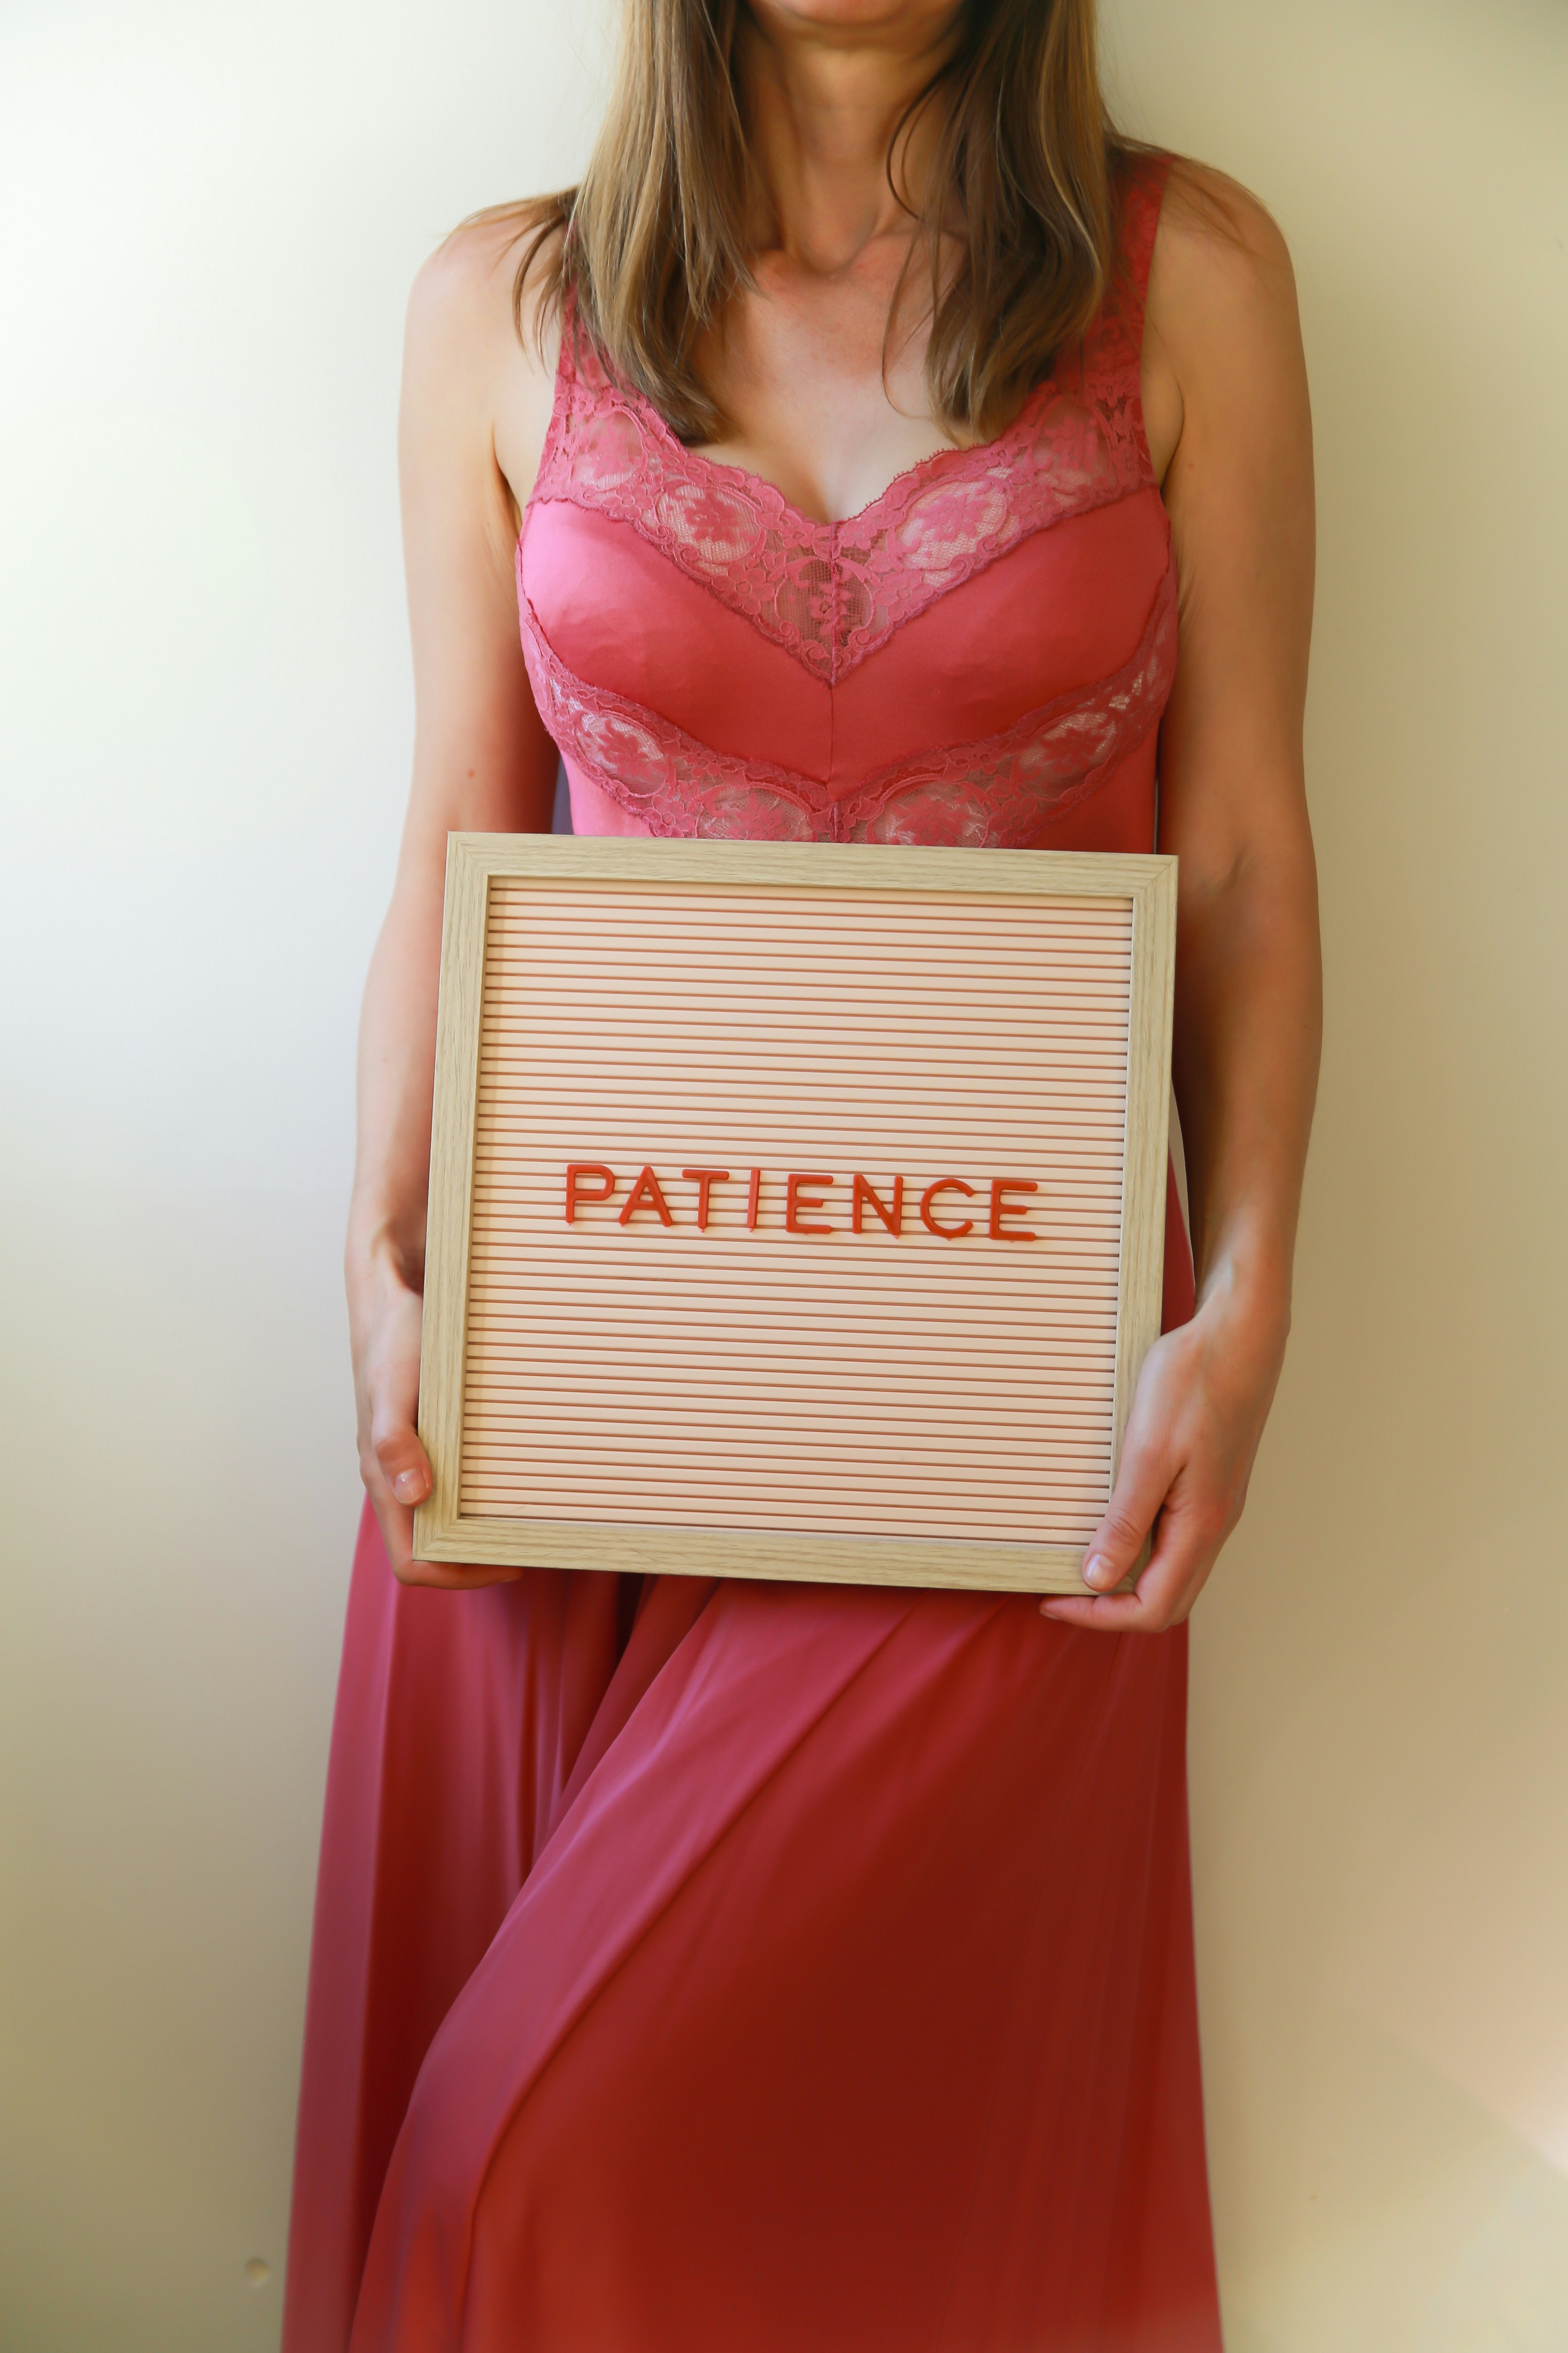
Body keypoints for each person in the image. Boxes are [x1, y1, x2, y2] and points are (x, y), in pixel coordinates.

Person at [283, 2, 1320, 2345]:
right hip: (567, 1364)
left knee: (566, 2155)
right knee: (585, 2192)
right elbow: (455, 826)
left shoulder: (1194, 284)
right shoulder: (501, 303)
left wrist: (1247, 1290)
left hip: (1007, 1392)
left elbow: (1243, 851)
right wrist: (371, 1258)